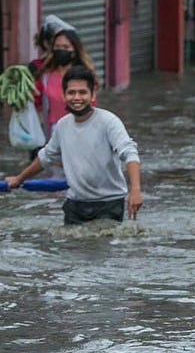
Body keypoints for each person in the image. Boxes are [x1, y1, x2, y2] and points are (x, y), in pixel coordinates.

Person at [4, 65, 142, 226]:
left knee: (102, 247)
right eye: (71, 93)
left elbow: (130, 153)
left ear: (92, 95)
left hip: (109, 203)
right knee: (70, 248)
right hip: (75, 204)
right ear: (63, 96)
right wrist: (19, 179)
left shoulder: (108, 122)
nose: (76, 98)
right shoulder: (63, 126)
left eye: (82, 92)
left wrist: (136, 190)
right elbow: (45, 157)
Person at [32, 28, 96, 147]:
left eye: (66, 47)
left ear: (74, 50)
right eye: (58, 46)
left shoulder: (83, 75)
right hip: (53, 131)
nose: (61, 50)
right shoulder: (46, 75)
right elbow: (38, 102)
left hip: (79, 133)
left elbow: (91, 107)